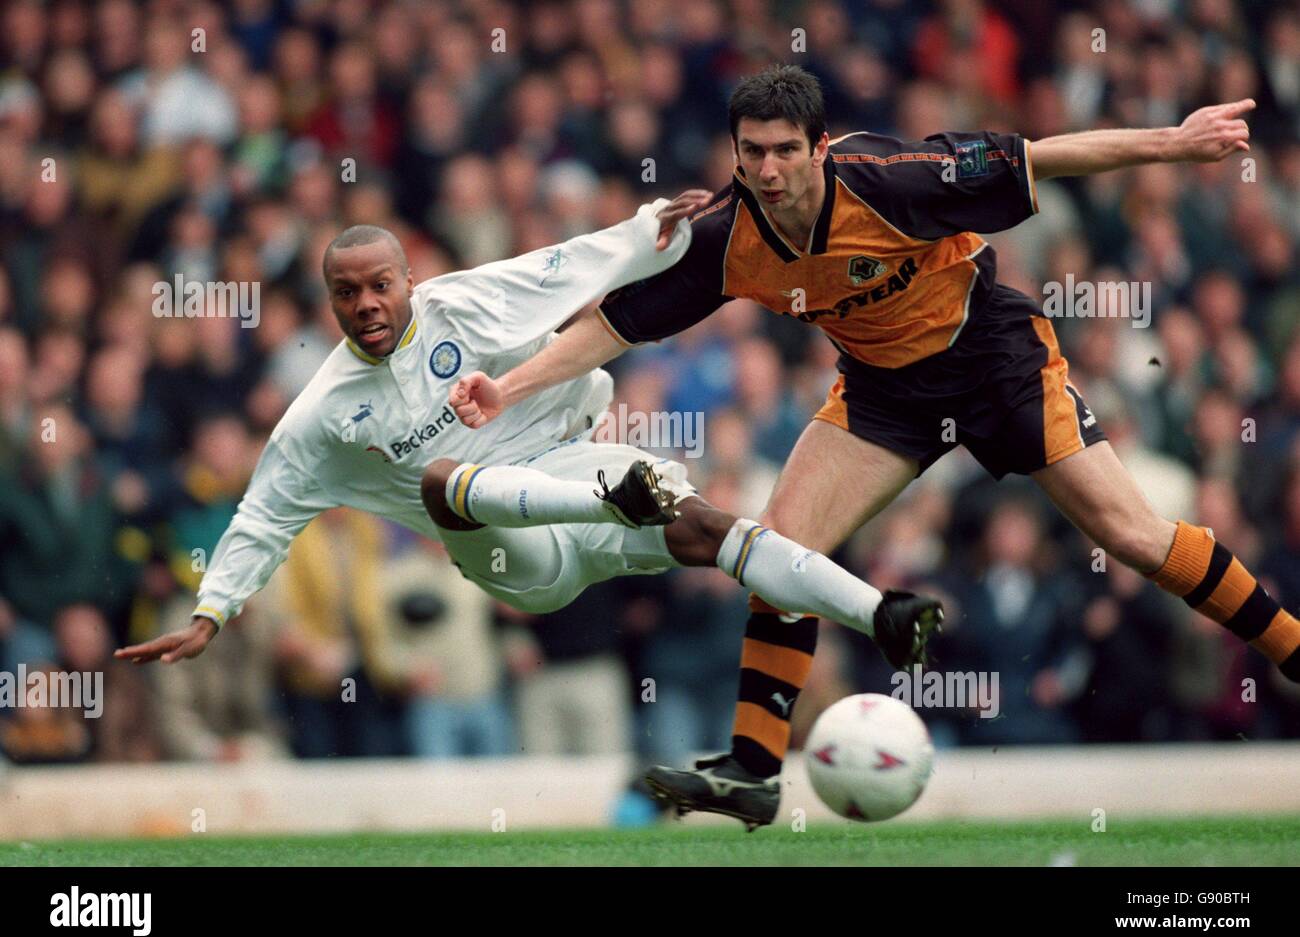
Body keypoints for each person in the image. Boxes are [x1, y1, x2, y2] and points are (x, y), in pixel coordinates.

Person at [447, 64, 1299, 828]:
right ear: (734, 153)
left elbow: (1045, 156)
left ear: (819, 147)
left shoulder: (897, 178)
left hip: (994, 363)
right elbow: (612, 326)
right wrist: (506, 388)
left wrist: (1177, 143)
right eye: (752, 153)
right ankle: (752, 769)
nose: (769, 171)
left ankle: (1291, 650)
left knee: (1135, 539)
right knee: (777, 550)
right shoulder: (727, 236)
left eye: (785, 151)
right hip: (886, 394)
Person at [116, 190, 944, 811]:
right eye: (346, 293)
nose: (366, 305)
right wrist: (212, 611)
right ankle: (616, 496)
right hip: (516, 553)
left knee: (718, 531)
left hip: (575, 463)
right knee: (442, 478)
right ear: (330, 300)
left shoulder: (465, 302)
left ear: (410, 280)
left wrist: (645, 227)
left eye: (379, 285)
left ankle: (883, 614)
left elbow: (562, 267)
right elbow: (264, 514)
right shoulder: (321, 416)